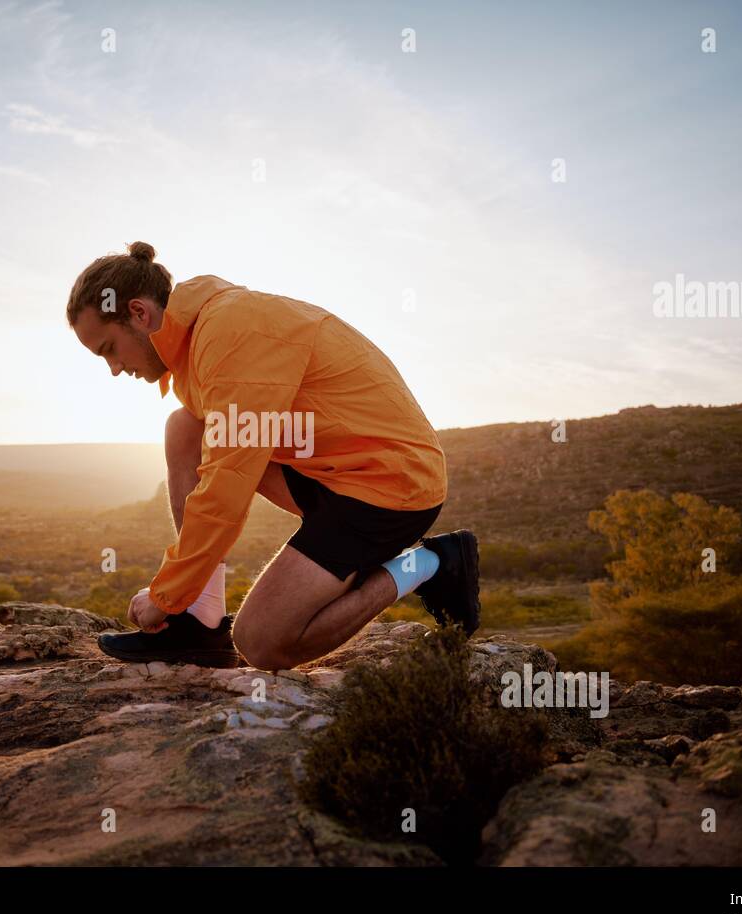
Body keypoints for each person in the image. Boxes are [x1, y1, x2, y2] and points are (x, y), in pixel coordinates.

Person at [66, 241, 479, 670]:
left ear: (138, 313)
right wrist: (182, 599)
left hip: (388, 487)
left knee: (260, 642)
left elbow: (226, 489)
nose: (113, 368)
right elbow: (219, 455)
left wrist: (166, 595)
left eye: (108, 349)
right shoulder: (195, 341)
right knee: (183, 427)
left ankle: (431, 561)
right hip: (332, 472)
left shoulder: (230, 333)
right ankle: (201, 622)